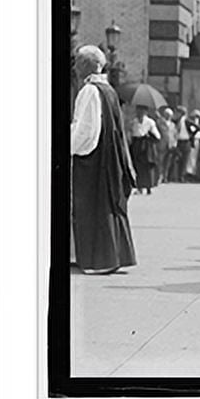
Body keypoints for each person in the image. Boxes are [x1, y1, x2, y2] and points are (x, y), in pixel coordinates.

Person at [71, 45, 137, 275]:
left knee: (91, 205)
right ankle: (110, 256)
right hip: (109, 156)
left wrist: (69, 148)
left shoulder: (89, 91)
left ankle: (97, 260)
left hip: (94, 159)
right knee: (107, 204)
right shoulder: (108, 90)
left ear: (86, 65)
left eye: (78, 62)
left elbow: (86, 130)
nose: (75, 67)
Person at [127, 104, 161, 194]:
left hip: (147, 144)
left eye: (142, 111)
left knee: (147, 166)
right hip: (136, 144)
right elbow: (130, 133)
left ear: (146, 112)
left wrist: (150, 134)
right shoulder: (133, 122)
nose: (140, 113)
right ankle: (139, 187)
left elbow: (157, 136)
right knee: (137, 166)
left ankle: (149, 187)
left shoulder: (150, 122)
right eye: (138, 110)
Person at [153, 106, 174, 186]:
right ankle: (158, 177)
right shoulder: (160, 122)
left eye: (170, 115)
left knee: (167, 162)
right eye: (167, 114)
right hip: (162, 144)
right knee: (160, 162)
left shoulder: (172, 124)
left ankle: (165, 177)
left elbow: (174, 134)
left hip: (170, 145)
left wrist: (174, 142)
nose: (168, 116)